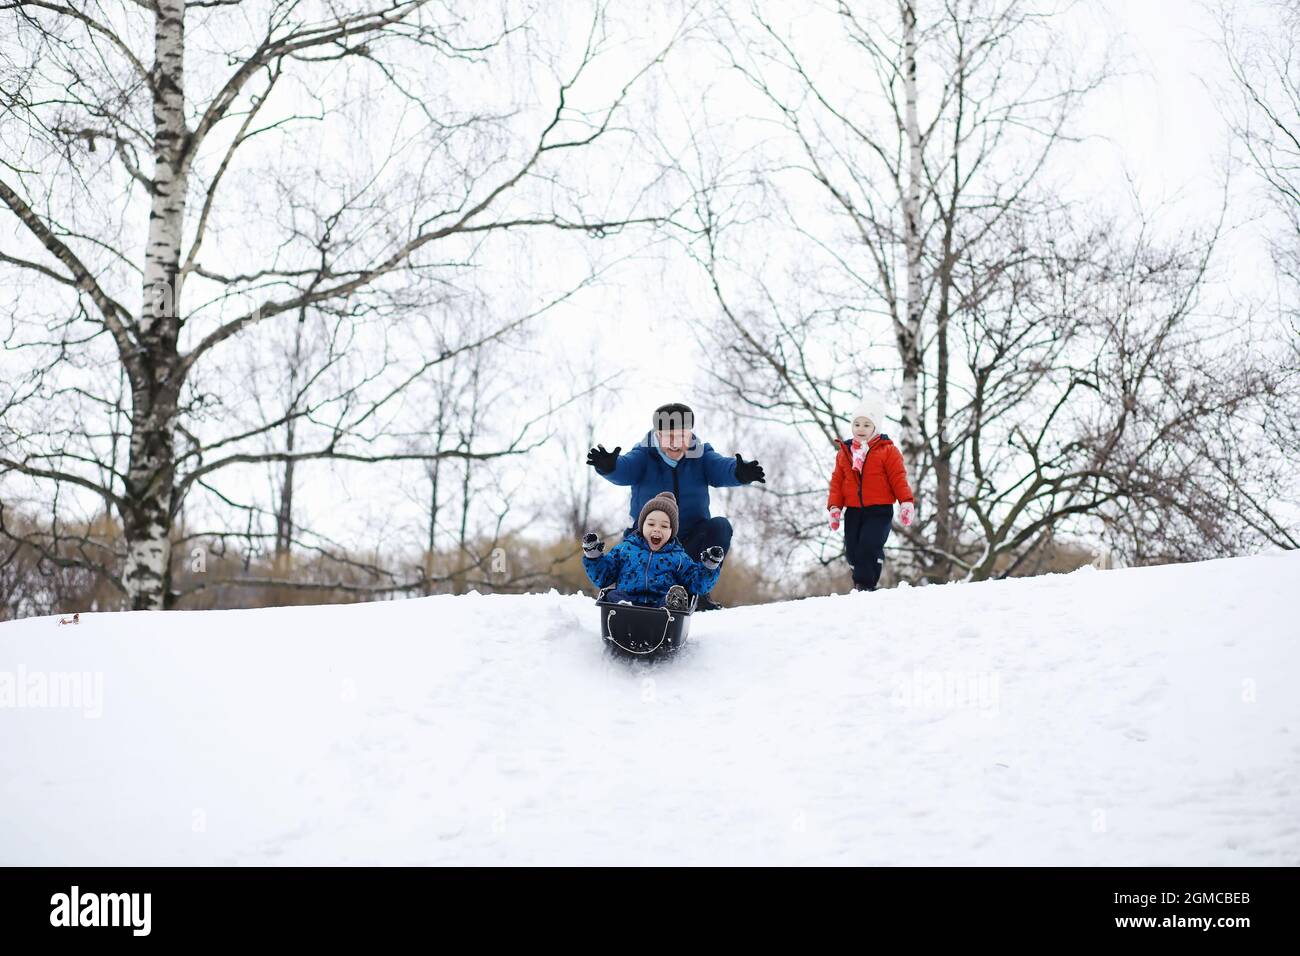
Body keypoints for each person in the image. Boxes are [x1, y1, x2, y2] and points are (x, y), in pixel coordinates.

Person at [585, 402, 763, 610]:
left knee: (720, 526)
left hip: (691, 542)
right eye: (669, 436)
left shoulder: (701, 455)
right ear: (657, 435)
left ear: (690, 434)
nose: (676, 443)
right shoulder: (644, 455)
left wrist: (740, 473)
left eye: (682, 436)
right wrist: (609, 467)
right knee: (635, 541)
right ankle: (632, 595)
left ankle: (698, 594)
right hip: (648, 539)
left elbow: (721, 467)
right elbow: (625, 468)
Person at [826, 392, 916, 591]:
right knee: (852, 550)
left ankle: (865, 586)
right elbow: (837, 482)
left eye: (867, 425)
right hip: (854, 510)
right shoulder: (845, 453)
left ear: (875, 428)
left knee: (869, 545)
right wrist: (834, 507)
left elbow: (898, 478)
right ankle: (861, 579)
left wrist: (906, 502)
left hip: (880, 510)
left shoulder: (887, 451)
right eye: (857, 424)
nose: (861, 429)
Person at [581, 492, 724, 610]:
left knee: (673, 597)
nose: (657, 529)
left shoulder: (679, 557)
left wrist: (709, 566)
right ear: (642, 526)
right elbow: (604, 576)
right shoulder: (626, 549)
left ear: (671, 531)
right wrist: (594, 556)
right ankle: (622, 608)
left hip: (660, 607)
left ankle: (671, 608)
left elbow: (697, 584)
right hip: (628, 601)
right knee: (611, 594)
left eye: (664, 526)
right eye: (651, 524)